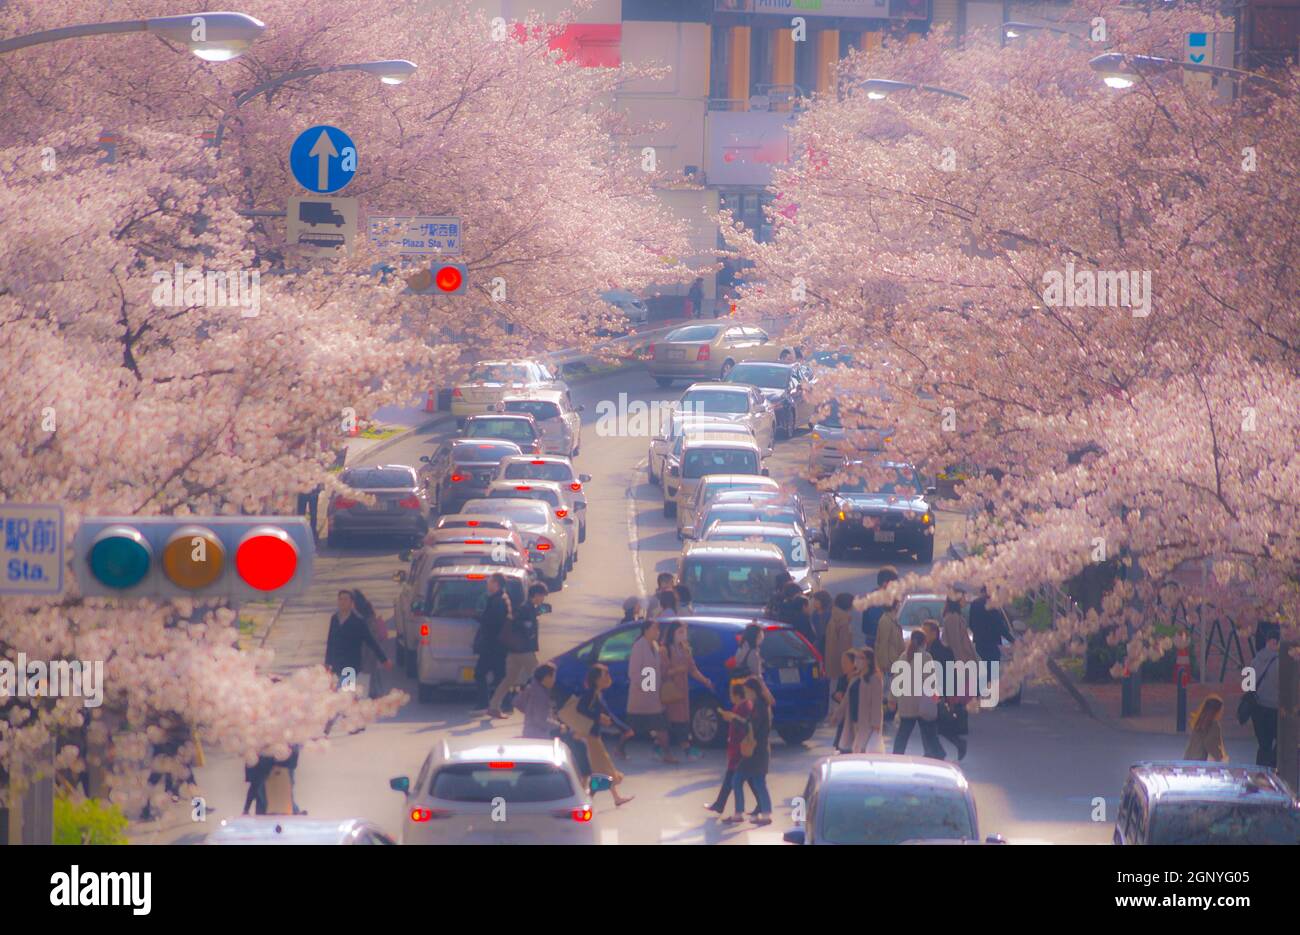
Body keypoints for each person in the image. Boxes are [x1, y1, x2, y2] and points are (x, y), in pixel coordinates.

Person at [571, 664, 634, 806]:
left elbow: (609, 715)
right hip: (589, 736)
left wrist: (624, 728)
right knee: (602, 768)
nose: (608, 678)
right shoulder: (591, 694)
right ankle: (588, 800)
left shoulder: (597, 694)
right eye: (605, 675)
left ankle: (613, 798)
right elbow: (580, 708)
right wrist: (598, 717)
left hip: (594, 735)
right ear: (597, 679)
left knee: (603, 768)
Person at [517, 663, 592, 777]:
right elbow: (540, 720)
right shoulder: (540, 694)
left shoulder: (533, 687)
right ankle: (582, 776)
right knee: (578, 745)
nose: (554, 680)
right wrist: (559, 726)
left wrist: (530, 712)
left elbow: (517, 702)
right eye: (553, 677)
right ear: (546, 677)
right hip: (541, 734)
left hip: (531, 730)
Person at [489, 582, 547, 718]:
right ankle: (539, 709)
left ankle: (493, 706)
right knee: (540, 677)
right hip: (524, 650)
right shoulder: (526, 609)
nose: (543, 599)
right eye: (542, 596)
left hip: (514, 650)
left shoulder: (525, 608)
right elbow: (522, 626)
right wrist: (529, 630)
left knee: (509, 679)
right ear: (537, 595)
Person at [724, 677, 773, 825]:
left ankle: (740, 813)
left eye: (746, 691)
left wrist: (734, 718)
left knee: (738, 780)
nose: (745, 694)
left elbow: (751, 727)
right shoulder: (761, 705)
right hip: (760, 750)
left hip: (755, 752)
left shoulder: (758, 707)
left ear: (752, 691)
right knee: (758, 782)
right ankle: (765, 814)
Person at [627, 617, 677, 762]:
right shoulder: (639, 646)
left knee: (661, 726)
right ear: (647, 630)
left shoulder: (655, 646)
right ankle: (620, 747)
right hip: (641, 696)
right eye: (655, 629)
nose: (658, 632)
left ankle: (667, 754)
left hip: (652, 697)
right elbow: (634, 672)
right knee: (631, 728)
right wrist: (645, 687)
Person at [662, 621, 714, 759]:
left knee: (681, 719)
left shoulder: (685, 649)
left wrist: (705, 681)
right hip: (670, 691)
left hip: (683, 691)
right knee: (672, 720)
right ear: (672, 633)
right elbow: (663, 671)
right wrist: (678, 670)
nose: (683, 635)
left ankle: (675, 747)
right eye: (680, 632)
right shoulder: (665, 649)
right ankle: (683, 748)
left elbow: (693, 669)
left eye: (684, 632)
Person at [891, 630, 945, 759]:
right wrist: (936, 697)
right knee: (929, 731)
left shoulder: (903, 656)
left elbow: (896, 681)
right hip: (922, 702)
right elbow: (930, 681)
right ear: (924, 642)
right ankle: (938, 753)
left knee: (903, 733)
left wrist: (892, 699)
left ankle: (896, 756)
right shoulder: (926, 657)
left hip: (906, 703)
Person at [325, 590, 391, 690]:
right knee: (336, 696)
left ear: (352, 603)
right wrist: (327, 662)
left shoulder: (358, 621)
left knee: (345, 695)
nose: (342, 602)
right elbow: (330, 642)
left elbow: (371, 641)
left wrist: (384, 660)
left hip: (350, 665)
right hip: (336, 665)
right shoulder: (334, 619)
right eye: (340, 599)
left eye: (346, 599)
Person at [923, 619, 967, 760]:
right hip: (932, 691)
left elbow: (949, 673)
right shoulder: (927, 649)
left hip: (938, 692)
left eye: (926, 632)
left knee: (933, 722)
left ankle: (942, 748)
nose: (924, 635)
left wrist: (949, 695)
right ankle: (933, 750)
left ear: (934, 633)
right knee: (931, 723)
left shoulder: (941, 650)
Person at [705, 682, 751, 814]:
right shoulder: (744, 706)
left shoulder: (741, 708)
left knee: (736, 779)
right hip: (739, 748)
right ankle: (720, 804)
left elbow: (741, 727)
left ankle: (727, 807)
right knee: (749, 780)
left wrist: (731, 718)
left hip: (739, 748)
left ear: (736, 695)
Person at [472, 573, 512, 713]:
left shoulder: (498, 601)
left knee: (480, 673)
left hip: (493, 645)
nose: (487, 584)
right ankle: (505, 704)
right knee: (500, 675)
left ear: (496, 584)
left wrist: (479, 617)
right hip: (498, 645)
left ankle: (485, 703)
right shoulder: (501, 598)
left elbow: (493, 622)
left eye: (489, 582)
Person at [839, 647, 885, 754]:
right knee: (854, 746)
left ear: (868, 661)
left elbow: (877, 703)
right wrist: (837, 715)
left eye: (861, 658)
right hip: (853, 717)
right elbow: (846, 699)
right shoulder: (855, 677)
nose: (857, 661)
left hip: (867, 721)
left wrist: (876, 723)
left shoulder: (875, 679)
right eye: (857, 658)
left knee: (862, 748)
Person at [1247, 624, 1280, 767]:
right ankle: (1272, 767)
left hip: (1257, 708)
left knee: (1263, 744)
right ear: (1275, 642)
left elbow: (1246, 685)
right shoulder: (1281, 662)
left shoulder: (1255, 660)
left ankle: (1260, 771)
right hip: (1274, 707)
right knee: (1282, 740)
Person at [350, 589, 388, 699]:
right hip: (370, 652)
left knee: (365, 674)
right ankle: (374, 694)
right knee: (372, 674)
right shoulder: (368, 613)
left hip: (365, 651)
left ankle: (368, 695)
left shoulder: (360, 617)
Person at [873, 594, 904, 719]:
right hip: (889, 662)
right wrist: (884, 663)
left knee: (890, 690)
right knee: (886, 692)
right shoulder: (886, 620)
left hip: (894, 660)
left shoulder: (892, 619)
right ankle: (884, 716)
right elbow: (883, 643)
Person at [824, 594, 854, 711]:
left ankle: (830, 711)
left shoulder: (833, 615)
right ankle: (837, 712)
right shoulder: (844, 621)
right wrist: (849, 660)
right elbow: (845, 643)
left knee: (832, 685)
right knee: (840, 687)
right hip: (841, 658)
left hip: (830, 655)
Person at [860, 566, 899, 648]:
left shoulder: (869, 597)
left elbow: (865, 626)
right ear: (886, 584)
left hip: (871, 639)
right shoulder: (892, 600)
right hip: (887, 642)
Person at [1184, 695, 1228, 762]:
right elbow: (1209, 743)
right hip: (1199, 761)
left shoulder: (1200, 722)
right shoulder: (1214, 725)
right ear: (1216, 711)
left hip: (1188, 759)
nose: (1222, 713)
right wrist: (1220, 758)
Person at [831, 650, 859, 752]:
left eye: (846, 663)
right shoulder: (842, 678)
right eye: (842, 662)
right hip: (844, 717)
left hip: (855, 716)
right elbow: (835, 693)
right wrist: (836, 695)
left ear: (854, 664)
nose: (843, 665)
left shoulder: (859, 679)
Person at [941, 596, 978, 665]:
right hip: (962, 661)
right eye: (963, 597)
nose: (965, 600)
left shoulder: (956, 616)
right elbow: (955, 644)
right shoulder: (953, 617)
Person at [809, 590, 833, 657]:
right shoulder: (814, 614)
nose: (814, 602)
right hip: (817, 644)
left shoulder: (829, 613)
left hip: (828, 644)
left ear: (823, 601)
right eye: (815, 600)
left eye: (817, 600)